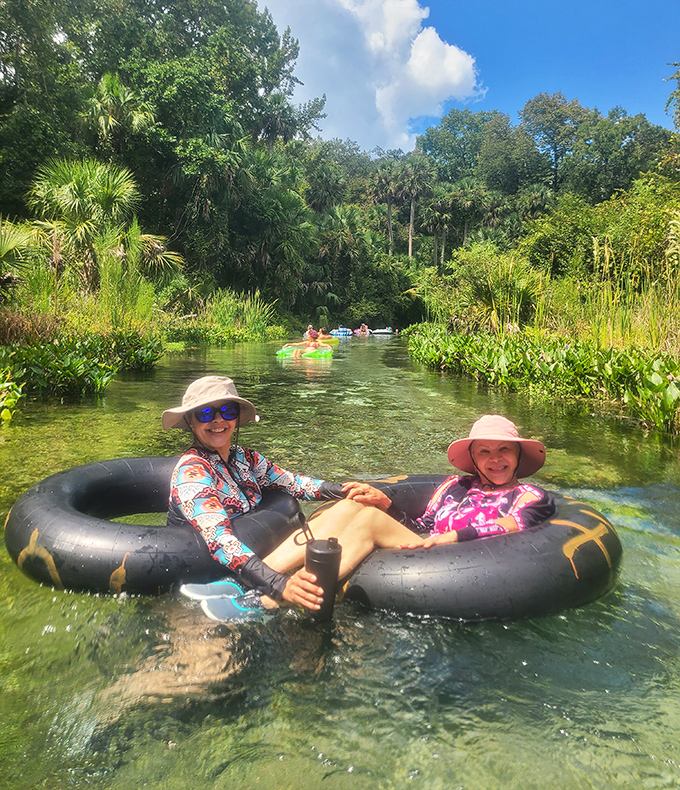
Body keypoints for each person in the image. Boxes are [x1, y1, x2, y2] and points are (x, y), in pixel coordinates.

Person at [162, 376, 418, 619]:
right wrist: (278, 584)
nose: (218, 421)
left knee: (352, 505)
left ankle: (245, 586)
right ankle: (258, 594)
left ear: (237, 418)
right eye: (205, 413)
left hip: (257, 558)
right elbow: (219, 539)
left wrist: (346, 490)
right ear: (191, 422)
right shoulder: (192, 472)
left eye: (227, 411)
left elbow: (293, 483)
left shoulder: (245, 459)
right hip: (212, 560)